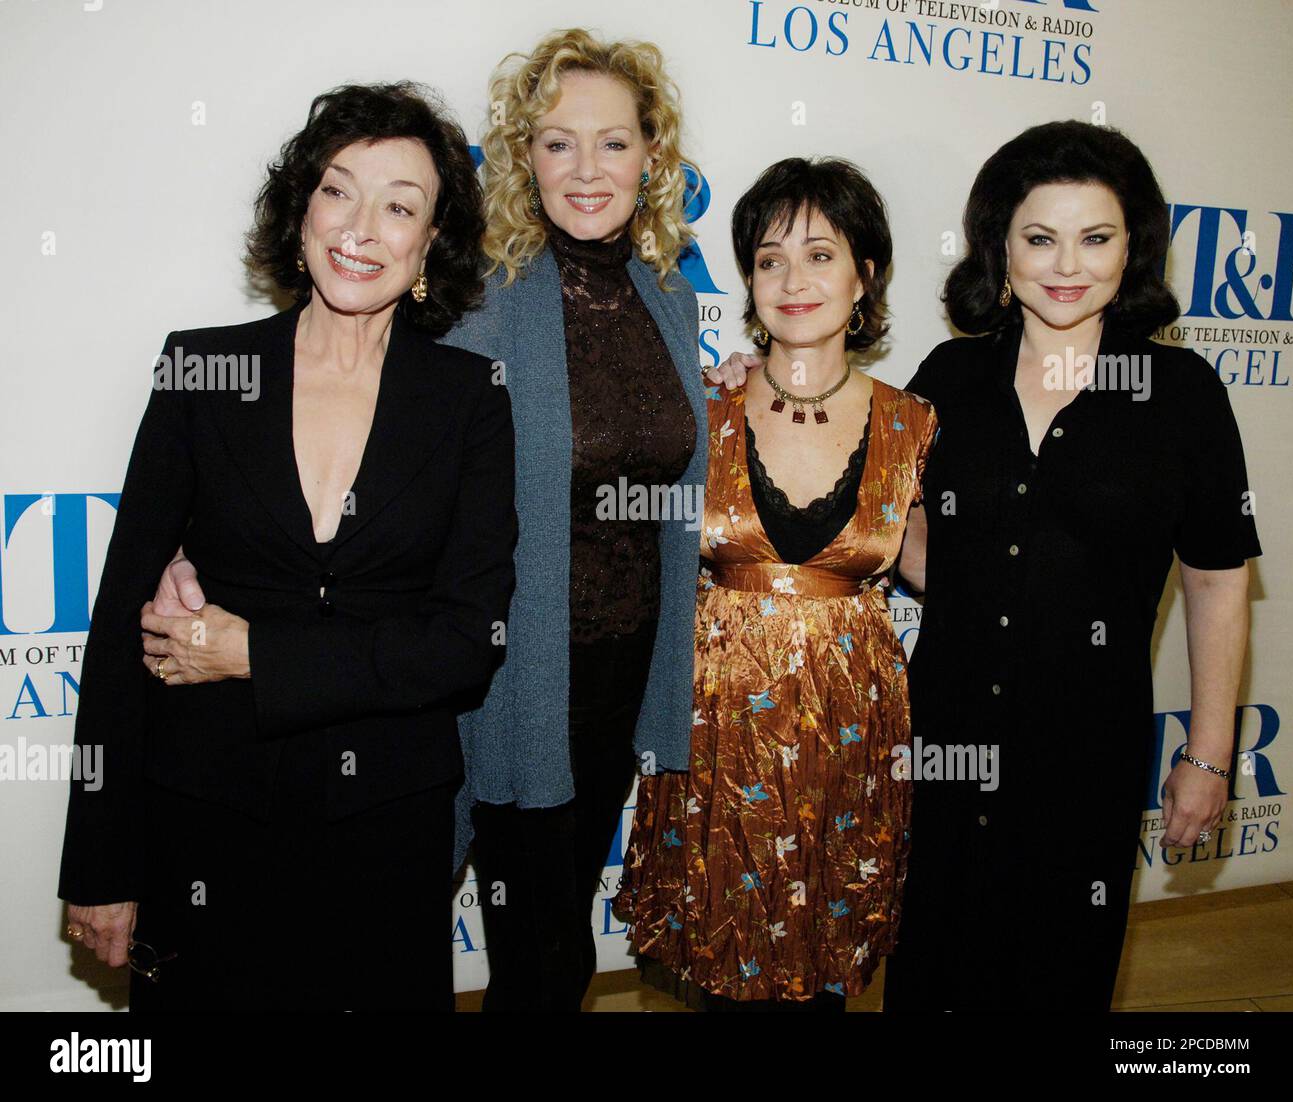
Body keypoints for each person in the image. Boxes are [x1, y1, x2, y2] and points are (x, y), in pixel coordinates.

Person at [148, 28, 709, 1012]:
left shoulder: (667, 294)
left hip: (622, 677)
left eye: (613, 141)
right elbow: (345, 412)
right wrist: (201, 540)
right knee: (530, 954)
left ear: (651, 154)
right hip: (509, 676)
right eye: (556, 141)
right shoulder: (473, 298)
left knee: (560, 938)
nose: (587, 168)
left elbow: (668, 467)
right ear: (519, 157)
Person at [63, 81, 515, 1012]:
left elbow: (466, 644)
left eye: (401, 206)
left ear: (430, 244)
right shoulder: (200, 368)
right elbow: (120, 628)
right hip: (206, 819)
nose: (361, 228)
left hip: (386, 830)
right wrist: (101, 857)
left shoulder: (469, 399)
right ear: (301, 209)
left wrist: (253, 652)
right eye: (338, 190)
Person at [881, 121, 1262, 1010]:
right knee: (932, 967)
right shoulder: (948, 375)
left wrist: (1209, 755)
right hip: (944, 736)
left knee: (1061, 974)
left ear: (1133, 252)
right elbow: (903, 531)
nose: (1066, 264)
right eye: (1039, 238)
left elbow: (1215, 580)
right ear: (999, 251)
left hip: (1085, 747)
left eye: (1096, 238)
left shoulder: (1183, 396)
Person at [613, 157, 938, 1010]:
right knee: (712, 966)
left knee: (824, 962)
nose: (793, 280)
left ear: (866, 274)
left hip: (848, 735)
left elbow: (943, 573)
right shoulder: (701, 403)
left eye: (822, 255)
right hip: (713, 728)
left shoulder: (914, 423)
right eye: (769, 258)